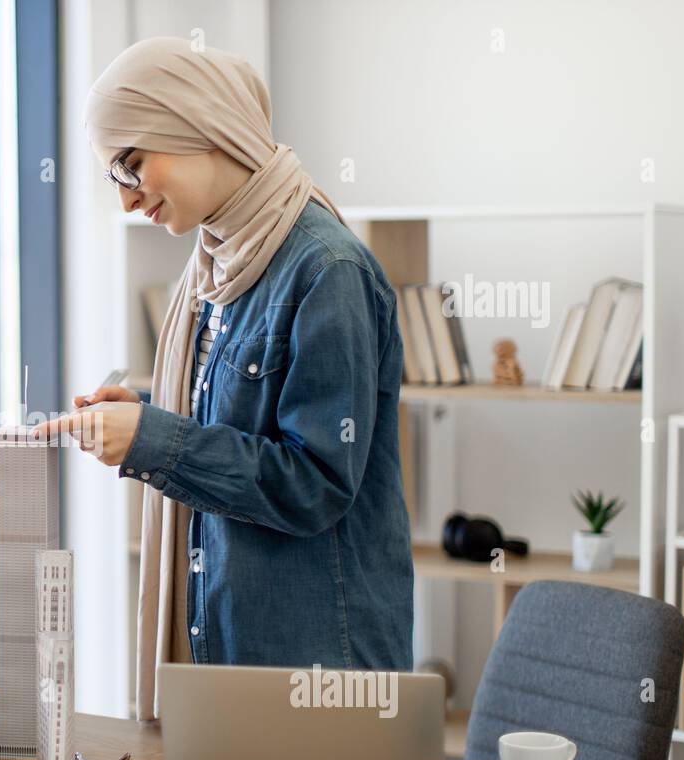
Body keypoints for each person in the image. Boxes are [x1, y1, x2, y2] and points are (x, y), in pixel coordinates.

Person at [37, 37, 413, 720]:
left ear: (195, 126)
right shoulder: (218, 266)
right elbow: (241, 420)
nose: (126, 201)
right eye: (112, 178)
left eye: (130, 164)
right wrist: (149, 409)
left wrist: (153, 439)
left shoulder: (327, 271)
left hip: (316, 670)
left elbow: (316, 484)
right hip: (236, 654)